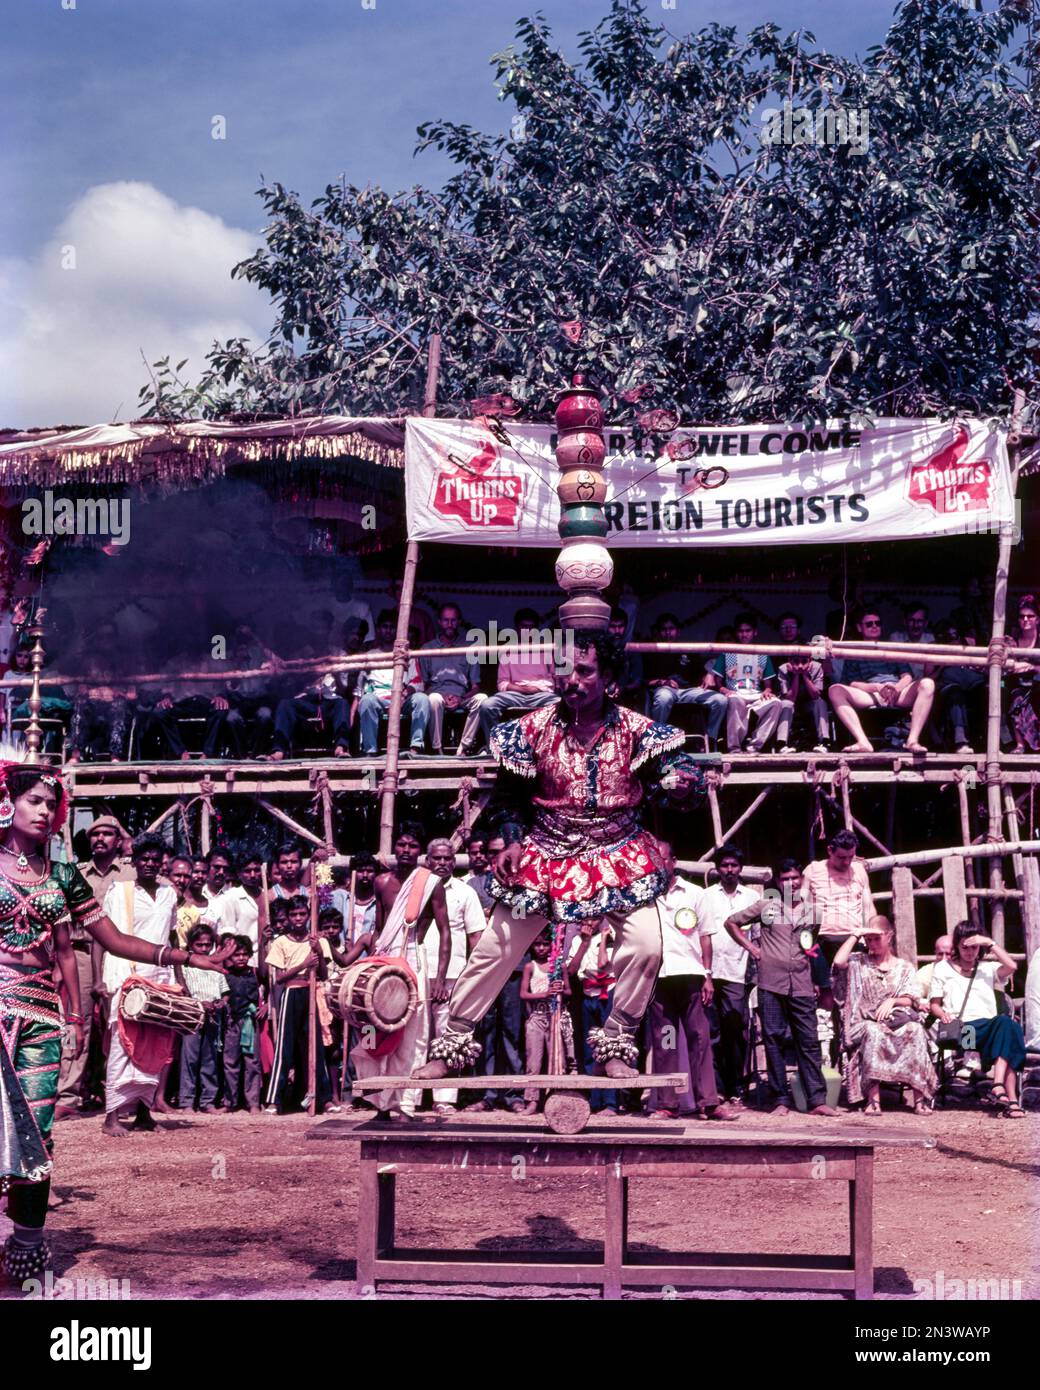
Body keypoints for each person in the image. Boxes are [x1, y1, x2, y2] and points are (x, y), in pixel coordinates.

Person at [415, 630, 706, 1083]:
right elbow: (510, 795)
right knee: (495, 948)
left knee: (648, 944)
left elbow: (678, 772)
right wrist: (511, 839)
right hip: (544, 854)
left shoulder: (638, 731)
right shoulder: (529, 729)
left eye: (583, 671)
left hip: (620, 854)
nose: (570, 679)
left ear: (608, 677)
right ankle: (450, 1044)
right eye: (563, 669)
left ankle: (615, 1044)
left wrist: (684, 781)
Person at [0, 764, 227, 1280]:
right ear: (8, 803)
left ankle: (27, 1247)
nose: (44, 811)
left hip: (39, 1018)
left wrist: (184, 959)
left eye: (49, 804)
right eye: (34, 800)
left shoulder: (62, 876)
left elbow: (117, 940)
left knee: (36, 1129)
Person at [346, 826, 451, 1118]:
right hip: (386, 959)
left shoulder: (430, 883)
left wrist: (440, 979)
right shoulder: (381, 882)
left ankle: (405, 1104)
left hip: (414, 959)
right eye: (401, 845)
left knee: (413, 1034)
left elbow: (445, 933)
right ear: (395, 848)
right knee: (377, 1032)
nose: (406, 850)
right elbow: (379, 931)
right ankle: (380, 1103)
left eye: (412, 845)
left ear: (421, 852)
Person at [725, 861, 838, 1115]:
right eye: (785, 878)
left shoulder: (813, 911)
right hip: (770, 984)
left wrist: (816, 980)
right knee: (773, 1039)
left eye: (795, 878)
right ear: (778, 882)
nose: (792, 883)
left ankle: (817, 1100)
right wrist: (753, 948)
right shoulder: (767, 906)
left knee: (809, 1041)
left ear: (802, 880)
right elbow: (731, 922)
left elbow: (811, 944)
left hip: (801, 985)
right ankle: (780, 1100)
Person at [100, 834, 184, 1136]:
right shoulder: (119, 891)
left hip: (160, 978)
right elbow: (105, 934)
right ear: (134, 860)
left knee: (155, 1045)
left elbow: (171, 938)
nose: (149, 863)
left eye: (154, 859)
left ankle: (144, 1114)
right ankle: (111, 1116)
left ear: (162, 862)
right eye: (143, 858)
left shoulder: (169, 894)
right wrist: (102, 979)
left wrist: (180, 978)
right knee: (124, 1044)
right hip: (128, 974)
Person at [54, 814, 135, 1118]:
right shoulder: (76, 873)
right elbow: (60, 916)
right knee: (77, 1022)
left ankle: (123, 1096)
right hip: (81, 953)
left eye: (107, 834)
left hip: (121, 954)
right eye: (94, 834)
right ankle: (68, 1096)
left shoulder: (131, 872)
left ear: (119, 840)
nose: (100, 839)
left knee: (122, 1023)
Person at [647, 843, 736, 1120]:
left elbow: (705, 936)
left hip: (691, 974)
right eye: (651, 860)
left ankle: (709, 1103)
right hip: (658, 977)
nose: (657, 865)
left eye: (661, 859)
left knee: (700, 1037)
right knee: (666, 1041)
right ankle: (667, 1105)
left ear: (673, 860)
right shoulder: (644, 896)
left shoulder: (695, 893)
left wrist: (707, 975)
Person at [401, 839, 484, 1115]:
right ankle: (408, 1099)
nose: (442, 863)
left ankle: (444, 1099)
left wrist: (469, 978)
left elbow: (476, 938)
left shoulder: (465, 892)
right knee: (416, 1035)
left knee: (448, 1035)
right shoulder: (415, 891)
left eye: (447, 858)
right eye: (436, 858)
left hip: (453, 975)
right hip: (416, 971)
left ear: (454, 860)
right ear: (427, 860)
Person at [833, 916, 936, 1114]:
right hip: (862, 1023)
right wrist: (856, 935)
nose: (872, 943)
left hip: (895, 1022)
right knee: (874, 1031)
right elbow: (838, 962)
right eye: (869, 939)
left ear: (889, 936)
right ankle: (873, 1100)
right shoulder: (858, 961)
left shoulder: (904, 967)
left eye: (876, 938)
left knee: (915, 1030)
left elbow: (912, 998)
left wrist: (894, 1001)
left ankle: (919, 1100)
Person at [929, 919, 1026, 1118]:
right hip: (964, 1033)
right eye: (965, 946)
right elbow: (934, 1005)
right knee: (1008, 1029)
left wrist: (989, 943)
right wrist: (943, 1014)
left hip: (988, 1033)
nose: (969, 951)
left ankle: (1000, 1088)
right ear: (956, 945)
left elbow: (1012, 966)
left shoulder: (987, 968)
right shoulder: (943, 968)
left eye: (974, 947)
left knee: (1009, 1029)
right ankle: (1010, 1098)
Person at [695, 845, 760, 1106]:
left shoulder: (752, 897)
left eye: (734, 866)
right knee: (712, 1032)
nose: (729, 870)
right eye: (724, 866)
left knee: (736, 1030)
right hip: (710, 972)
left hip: (737, 971)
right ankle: (716, 1088)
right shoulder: (706, 896)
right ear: (717, 869)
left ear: (740, 868)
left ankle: (737, 1086)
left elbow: (757, 935)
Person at [263, 896, 337, 1114]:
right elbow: (279, 978)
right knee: (285, 1048)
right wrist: (304, 964)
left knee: (316, 1047)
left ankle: (324, 1098)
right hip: (291, 994)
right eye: (293, 914)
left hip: (313, 993)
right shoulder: (281, 942)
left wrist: (319, 953)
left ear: (308, 915)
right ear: (287, 917)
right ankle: (274, 1100)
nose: (298, 918)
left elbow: (323, 974)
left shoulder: (318, 942)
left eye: (302, 914)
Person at [827, 608, 935, 753]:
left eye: (877, 623)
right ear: (860, 627)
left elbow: (907, 676)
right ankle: (863, 742)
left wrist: (896, 688)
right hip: (870, 693)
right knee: (835, 690)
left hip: (896, 691)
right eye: (869, 624)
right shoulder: (855, 651)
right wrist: (876, 687)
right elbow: (851, 682)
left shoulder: (891, 647)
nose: (874, 626)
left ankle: (912, 740)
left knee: (928, 683)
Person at [476, 607, 559, 752]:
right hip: (515, 695)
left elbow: (552, 681)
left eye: (531, 627)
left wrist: (536, 688)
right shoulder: (508, 650)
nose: (528, 631)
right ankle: (494, 749)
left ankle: (554, 748)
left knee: (561, 704)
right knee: (487, 706)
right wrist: (523, 689)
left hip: (540, 695)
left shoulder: (545, 649)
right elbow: (502, 684)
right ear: (517, 628)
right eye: (524, 627)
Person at [270, 620, 354, 759]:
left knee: (343, 703)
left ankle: (341, 747)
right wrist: (312, 673)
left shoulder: (339, 653)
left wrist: (334, 671)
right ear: (311, 631)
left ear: (329, 630)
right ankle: (279, 749)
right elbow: (293, 682)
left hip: (329, 699)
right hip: (306, 699)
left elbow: (343, 689)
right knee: (285, 704)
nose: (320, 633)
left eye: (323, 628)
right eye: (316, 628)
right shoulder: (301, 654)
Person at [354, 609, 430, 757]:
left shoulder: (408, 654)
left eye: (392, 627)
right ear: (378, 629)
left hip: (403, 699)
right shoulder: (370, 655)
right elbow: (361, 686)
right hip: (379, 700)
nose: (388, 631)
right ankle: (370, 750)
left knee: (422, 699)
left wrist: (403, 695)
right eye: (385, 626)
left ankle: (416, 747)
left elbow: (418, 683)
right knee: (367, 700)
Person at [645, 612, 727, 748]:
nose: (667, 633)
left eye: (671, 629)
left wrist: (709, 674)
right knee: (663, 698)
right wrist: (661, 682)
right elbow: (644, 681)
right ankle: (656, 741)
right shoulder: (652, 651)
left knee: (721, 700)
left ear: (678, 631)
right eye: (664, 629)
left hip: (689, 691)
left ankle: (710, 741)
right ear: (659, 632)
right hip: (666, 690)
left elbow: (701, 673)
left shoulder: (687, 649)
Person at [705, 613, 781, 752]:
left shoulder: (763, 654)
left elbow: (768, 685)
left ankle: (754, 746)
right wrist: (725, 690)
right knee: (733, 700)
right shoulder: (727, 653)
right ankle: (734, 748)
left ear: (755, 632)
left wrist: (767, 691)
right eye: (741, 631)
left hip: (756, 695)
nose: (744, 634)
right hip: (735, 694)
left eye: (748, 631)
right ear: (736, 633)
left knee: (776, 703)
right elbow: (718, 681)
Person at [566, 919, 620, 1114]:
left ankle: (611, 1102)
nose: (590, 922)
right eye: (586, 918)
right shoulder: (576, 940)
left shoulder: (611, 934)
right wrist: (585, 943)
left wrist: (601, 940)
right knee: (590, 1048)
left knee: (610, 1046)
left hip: (608, 992)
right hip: (587, 993)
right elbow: (571, 970)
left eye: (594, 917)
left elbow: (604, 964)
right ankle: (593, 1100)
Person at [418, 602, 486, 755]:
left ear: (459, 622)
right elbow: (422, 684)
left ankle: (463, 747)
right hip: (437, 695)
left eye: (453, 620)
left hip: (462, 697)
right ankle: (437, 749)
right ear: (439, 622)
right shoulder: (427, 649)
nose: (450, 624)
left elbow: (476, 686)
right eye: (446, 620)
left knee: (483, 699)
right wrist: (444, 697)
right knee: (434, 699)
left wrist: (460, 699)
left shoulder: (469, 648)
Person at [519, 929, 576, 1112]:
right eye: (537, 944)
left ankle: (556, 1100)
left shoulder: (560, 967)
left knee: (558, 1060)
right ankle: (532, 1101)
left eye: (545, 944)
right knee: (533, 1062)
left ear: (552, 945)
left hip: (555, 1016)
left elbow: (569, 992)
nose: (541, 948)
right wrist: (545, 993)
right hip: (536, 1018)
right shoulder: (530, 966)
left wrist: (559, 990)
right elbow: (523, 994)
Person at [175, 924, 229, 1113]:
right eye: (200, 945)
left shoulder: (216, 966)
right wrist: (198, 1004)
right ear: (191, 945)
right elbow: (183, 990)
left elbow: (224, 991)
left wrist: (221, 1002)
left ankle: (208, 1101)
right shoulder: (186, 965)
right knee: (190, 1059)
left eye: (208, 945)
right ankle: (187, 1101)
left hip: (213, 1016)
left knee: (210, 1058)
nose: (204, 948)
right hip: (192, 1015)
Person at [802, 829, 876, 959]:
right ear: (830, 851)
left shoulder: (859, 871)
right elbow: (800, 909)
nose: (847, 862)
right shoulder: (812, 870)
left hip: (855, 938)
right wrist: (805, 941)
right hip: (821, 939)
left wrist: (871, 938)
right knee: (823, 980)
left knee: (856, 979)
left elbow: (868, 907)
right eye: (842, 857)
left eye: (851, 857)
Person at [774, 612, 830, 753]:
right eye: (784, 627)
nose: (799, 665)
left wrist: (804, 674)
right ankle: (782, 744)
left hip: (809, 701)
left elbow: (816, 695)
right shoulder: (780, 664)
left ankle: (825, 743)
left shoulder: (814, 662)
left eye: (791, 626)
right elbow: (790, 698)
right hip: (791, 701)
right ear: (789, 660)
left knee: (820, 703)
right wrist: (796, 675)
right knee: (786, 704)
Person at [222, 934, 263, 1112]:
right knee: (230, 1062)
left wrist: (266, 1005)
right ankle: (230, 1102)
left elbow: (270, 988)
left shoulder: (255, 973)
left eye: (244, 954)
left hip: (251, 1022)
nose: (241, 958)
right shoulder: (226, 975)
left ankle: (253, 1102)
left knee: (252, 1063)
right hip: (232, 1021)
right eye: (236, 955)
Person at [934, 617, 986, 754]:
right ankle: (960, 741)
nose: (953, 640)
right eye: (948, 636)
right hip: (950, 689)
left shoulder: (969, 643)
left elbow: (981, 667)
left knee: (989, 690)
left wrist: (974, 665)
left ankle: (996, 741)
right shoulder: (936, 648)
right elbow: (929, 677)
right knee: (955, 693)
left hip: (972, 685)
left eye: (955, 635)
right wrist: (943, 664)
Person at [202, 850, 264, 963]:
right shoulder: (231, 897)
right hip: (243, 961)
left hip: (267, 958)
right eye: (248, 871)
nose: (253, 875)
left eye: (256, 870)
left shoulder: (267, 896)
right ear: (239, 874)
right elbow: (228, 932)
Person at [1006, 598, 1040, 752]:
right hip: (1016, 684)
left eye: (1030, 616)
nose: (1025, 619)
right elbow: (1004, 665)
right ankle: (1020, 744)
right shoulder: (1011, 641)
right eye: (1022, 616)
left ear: (1037, 619)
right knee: (1015, 696)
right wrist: (1013, 664)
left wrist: (1031, 667)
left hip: (1037, 684)